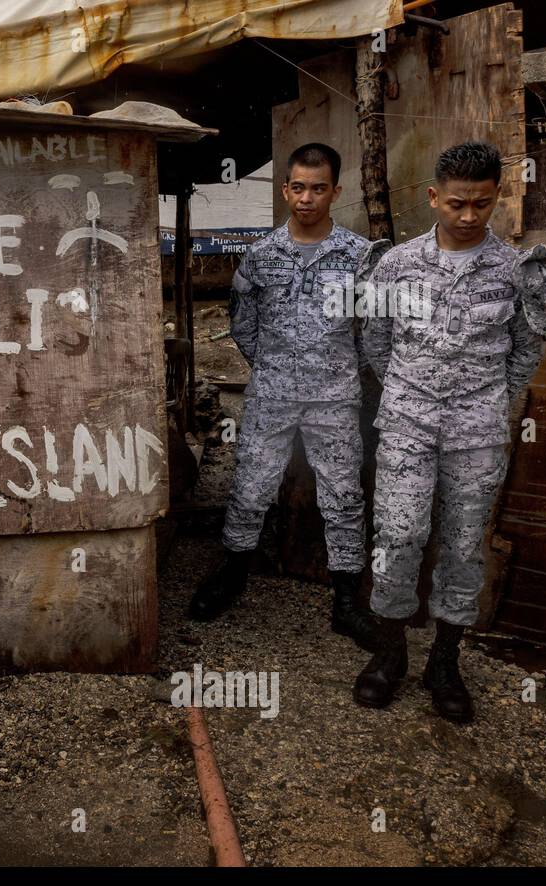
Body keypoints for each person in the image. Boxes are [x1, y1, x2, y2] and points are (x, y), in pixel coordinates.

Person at [355, 141, 546, 723]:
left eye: (483, 204)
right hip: (408, 422)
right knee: (397, 535)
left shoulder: (516, 269)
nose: (469, 216)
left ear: (497, 198)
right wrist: (410, 388)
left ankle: (445, 661)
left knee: (464, 545)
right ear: (433, 198)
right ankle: (390, 654)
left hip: (477, 430)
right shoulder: (396, 265)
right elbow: (376, 340)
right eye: (458, 203)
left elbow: (525, 352)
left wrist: (486, 399)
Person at [189, 143, 376, 648]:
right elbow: (241, 323)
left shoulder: (359, 257)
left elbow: (373, 334)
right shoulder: (261, 254)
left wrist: (336, 369)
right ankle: (232, 576)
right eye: (298, 188)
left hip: (335, 399)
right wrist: (274, 366)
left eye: (319, 188)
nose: (308, 198)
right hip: (271, 396)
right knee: (250, 488)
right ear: (285, 190)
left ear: (336, 191)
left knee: (343, 498)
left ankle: (345, 600)